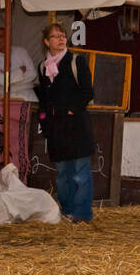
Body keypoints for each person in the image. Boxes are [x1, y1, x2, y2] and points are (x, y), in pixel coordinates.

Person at [36, 21, 96, 223]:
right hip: (56, 128)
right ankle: (67, 210)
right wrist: (44, 120)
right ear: (47, 41)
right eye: (56, 36)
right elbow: (44, 98)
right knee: (62, 174)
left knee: (80, 172)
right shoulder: (43, 66)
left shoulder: (76, 60)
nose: (62, 39)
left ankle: (82, 215)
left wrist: (71, 110)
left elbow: (88, 91)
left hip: (76, 125)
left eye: (63, 35)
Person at [0, 26, 39, 102]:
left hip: (28, 95)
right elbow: (2, 81)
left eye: (1, 36)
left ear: (8, 38)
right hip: (7, 98)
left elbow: (33, 74)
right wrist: (20, 71)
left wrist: (9, 80)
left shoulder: (21, 52)